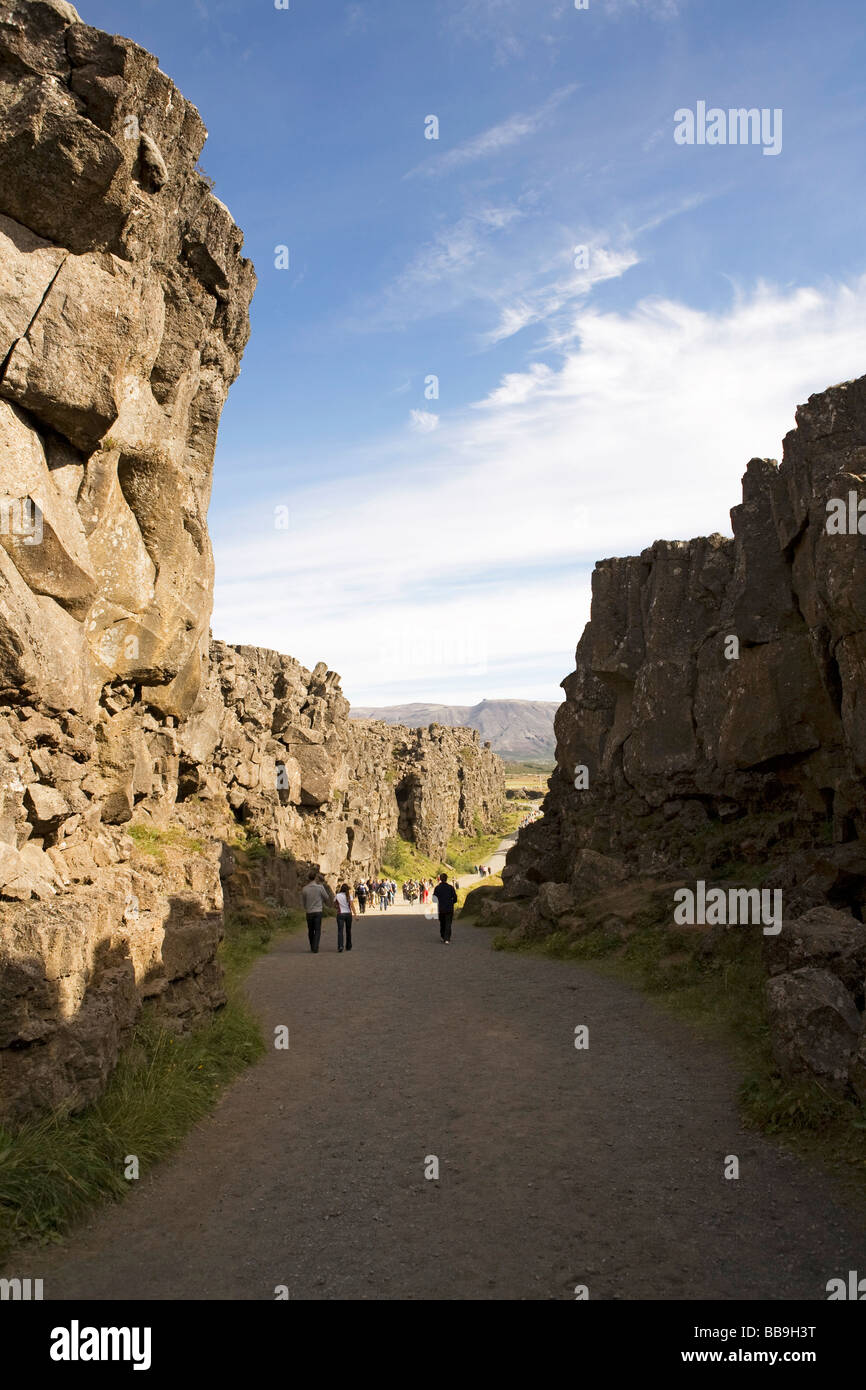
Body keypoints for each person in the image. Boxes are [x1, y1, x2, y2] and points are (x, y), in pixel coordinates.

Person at [302, 869, 333, 953]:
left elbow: (304, 901)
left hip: (309, 912)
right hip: (318, 911)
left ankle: (312, 945)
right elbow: (326, 897)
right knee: (317, 929)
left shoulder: (305, 889)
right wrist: (321, 900)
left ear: (308, 878)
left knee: (310, 930)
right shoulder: (320, 887)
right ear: (315, 877)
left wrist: (306, 907)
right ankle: (315, 947)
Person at [432, 872, 458, 945]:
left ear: (440, 879)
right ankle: (447, 939)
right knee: (448, 923)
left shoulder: (437, 888)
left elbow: (434, 899)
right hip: (449, 908)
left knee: (442, 922)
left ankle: (443, 936)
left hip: (441, 908)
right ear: (447, 879)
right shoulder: (450, 887)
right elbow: (455, 898)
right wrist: (452, 902)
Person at [335, 882, 356, 952]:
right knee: (348, 930)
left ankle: (340, 946)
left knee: (340, 931)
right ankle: (348, 945)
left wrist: (337, 907)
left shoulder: (337, 895)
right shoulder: (349, 896)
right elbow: (352, 906)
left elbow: (334, 904)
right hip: (348, 914)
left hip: (340, 914)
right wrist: (355, 915)